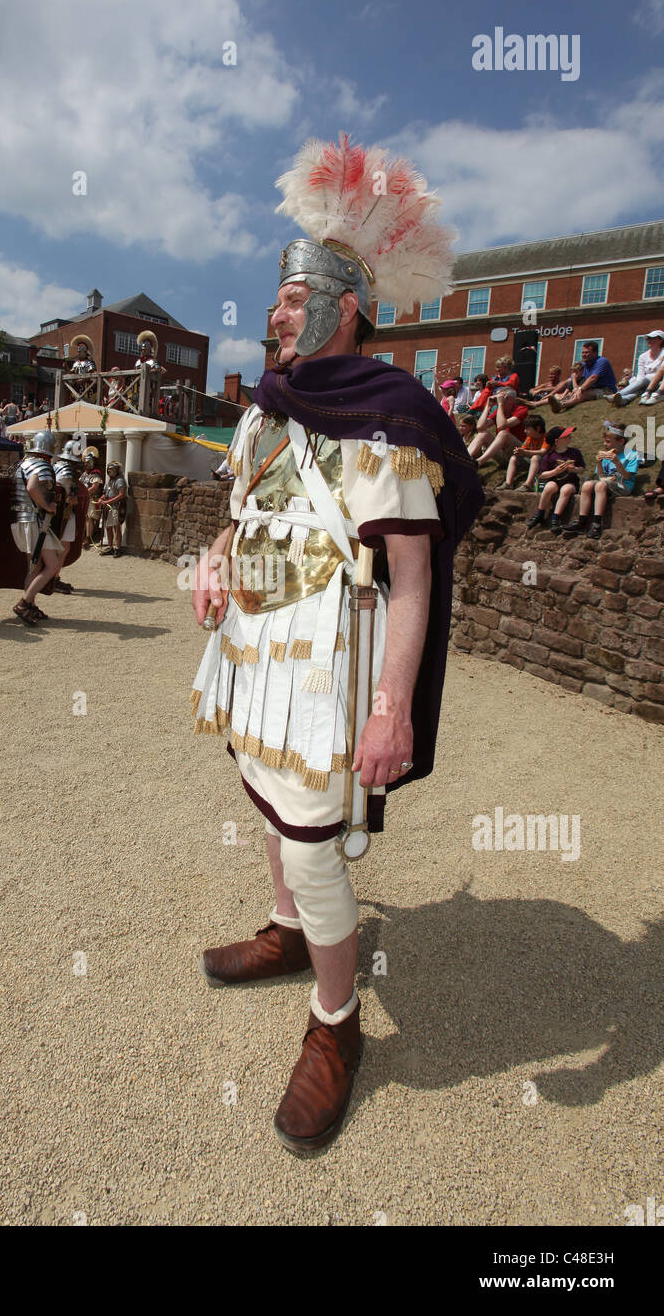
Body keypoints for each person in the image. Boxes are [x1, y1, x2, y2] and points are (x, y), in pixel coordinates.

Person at [190, 133, 484, 1155]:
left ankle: (335, 1023)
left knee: (316, 845)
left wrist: (390, 707)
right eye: (272, 298)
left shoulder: (391, 420)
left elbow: (411, 577)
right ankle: (284, 931)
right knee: (264, 798)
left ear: (341, 304)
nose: (273, 314)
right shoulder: (261, 414)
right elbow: (238, 514)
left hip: (329, 668)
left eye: (290, 297)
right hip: (253, 655)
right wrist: (214, 558)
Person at [10, 430, 66, 624]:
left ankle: (31, 606)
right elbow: (32, 487)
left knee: (34, 567)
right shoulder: (40, 464)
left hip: (22, 519)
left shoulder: (22, 464)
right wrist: (46, 505)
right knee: (52, 565)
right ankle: (24, 603)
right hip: (34, 521)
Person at [563, 421, 640, 539]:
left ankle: (596, 524)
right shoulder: (606, 456)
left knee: (600, 485)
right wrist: (599, 463)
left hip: (623, 486)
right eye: (605, 441)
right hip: (607, 483)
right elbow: (601, 476)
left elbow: (627, 476)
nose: (605, 444)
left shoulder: (632, 455)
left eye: (608, 442)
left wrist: (617, 463)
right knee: (587, 485)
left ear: (621, 441)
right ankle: (581, 521)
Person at [526, 427, 585, 534]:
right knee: (548, 487)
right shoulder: (549, 455)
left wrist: (574, 469)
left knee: (566, 490)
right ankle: (539, 514)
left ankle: (555, 518)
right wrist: (555, 471)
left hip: (571, 482)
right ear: (557, 441)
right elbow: (542, 475)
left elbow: (582, 468)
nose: (569, 436)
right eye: (566, 436)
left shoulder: (575, 452)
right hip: (554, 481)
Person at [52, 439, 85, 592]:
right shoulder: (66, 472)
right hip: (63, 513)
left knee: (58, 547)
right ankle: (52, 578)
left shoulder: (54, 467)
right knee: (63, 548)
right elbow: (71, 498)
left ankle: (53, 577)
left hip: (53, 512)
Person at [548, 342, 617, 412]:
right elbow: (569, 380)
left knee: (582, 394)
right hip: (590, 389)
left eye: (587, 352)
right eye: (583, 352)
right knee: (561, 394)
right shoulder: (583, 364)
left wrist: (580, 389)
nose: (584, 355)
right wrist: (552, 393)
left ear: (595, 353)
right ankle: (536, 404)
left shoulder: (602, 362)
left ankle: (560, 406)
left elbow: (593, 378)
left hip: (606, 390)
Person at [467, 386, 529, 463]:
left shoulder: (521, 409)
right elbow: (480, 427)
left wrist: (500, 405)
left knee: (503, 434)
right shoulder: (499, 411)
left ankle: (479, 462)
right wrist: (487, 406)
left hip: (518, 453)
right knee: (483, 434)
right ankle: (464, 459)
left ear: (510, 399)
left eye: (501, 398)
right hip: (502, 453)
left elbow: (501, 426)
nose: (498, 401)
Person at [606, 332, 664, 406]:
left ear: (661, 340)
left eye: (652, 338)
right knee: (640, 387)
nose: (649, 341)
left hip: (659, 384)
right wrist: (641, 384)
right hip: (645, 383)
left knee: (645, 380)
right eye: (648, 339)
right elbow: (640, 374)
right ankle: (623, 400)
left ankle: (617, 394)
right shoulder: (643, 356)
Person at [503, 414, 547, 489]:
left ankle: (528, 484)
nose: (525, 431)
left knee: (535, 458)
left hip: (543, 464)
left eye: (527, 429)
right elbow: (523, 449)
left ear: (538, 428)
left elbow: (543, 451)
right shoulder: (529, 438)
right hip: (530, 463)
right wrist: (519, 452)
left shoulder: (546, 437)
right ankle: (508, 483)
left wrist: (526, 452)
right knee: (513, 458)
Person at [98, 460, 127, 557]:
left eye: (112, 469)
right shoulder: (110, 481)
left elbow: (122, 495)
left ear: (116, 470)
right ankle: (110, 547)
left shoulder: (120, 480)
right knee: (108, 527)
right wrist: (101, 499)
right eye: (109, 469)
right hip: (108, 507)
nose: (109, 471)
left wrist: (107, 502)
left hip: (116, 507)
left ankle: (117, 548)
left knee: (116, 527)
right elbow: (105, 494)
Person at [81, 447, 104, 547]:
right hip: (83, 498)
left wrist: (84, 492)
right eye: (85, 462)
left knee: (89, 518)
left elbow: (94, 487)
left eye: (88, 462)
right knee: (83, 518)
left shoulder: (96, 473)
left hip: (91, 499)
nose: (86, 464)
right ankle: (82, 537)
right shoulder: (84, 474)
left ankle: (88, 538)